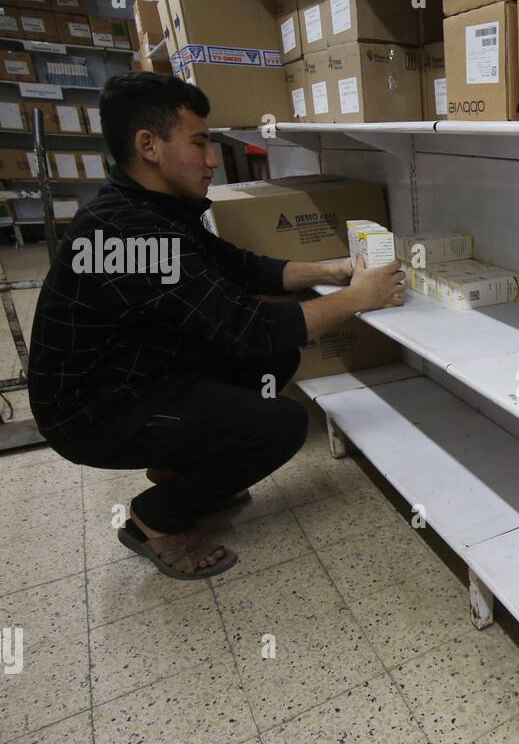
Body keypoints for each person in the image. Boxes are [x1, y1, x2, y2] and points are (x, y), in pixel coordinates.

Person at [27, 72, 404, 580]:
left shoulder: (155, 208)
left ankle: (178, 465)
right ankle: (156, 518)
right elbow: (253, 327)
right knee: (282, 423)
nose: (211, 160)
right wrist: (360, 298)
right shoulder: (132, 233)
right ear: (149, 145)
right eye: (199, 143)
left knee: (272, 360)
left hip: (134, 372)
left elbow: (241, 266)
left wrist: (331, 270)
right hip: (94, 411)